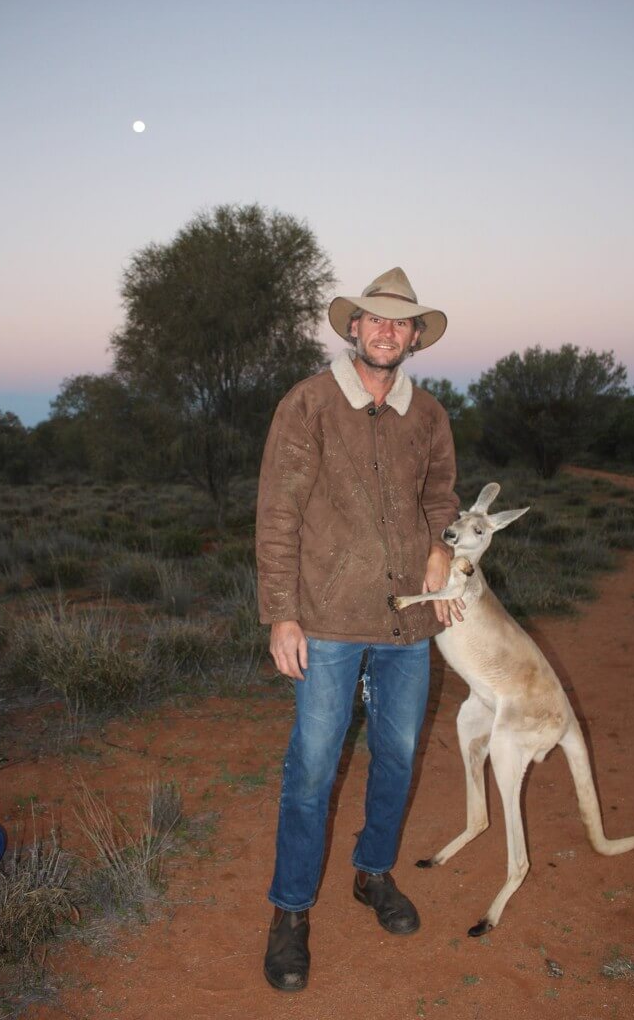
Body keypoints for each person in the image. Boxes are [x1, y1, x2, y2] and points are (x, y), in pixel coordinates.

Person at [255, 267, 462, 991]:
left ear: (414, 337)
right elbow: (278, 512)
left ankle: (372, 873)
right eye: (375, 318)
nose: (386, 330)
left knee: (397, 756)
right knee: (312, 768)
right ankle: (290, 910)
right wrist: (281, 613)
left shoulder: (427, 414)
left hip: (407, 619)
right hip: (327, 617)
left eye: (400, 322)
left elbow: (440, 497)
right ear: (353, 328)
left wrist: (440, 546)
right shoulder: (309, 403)